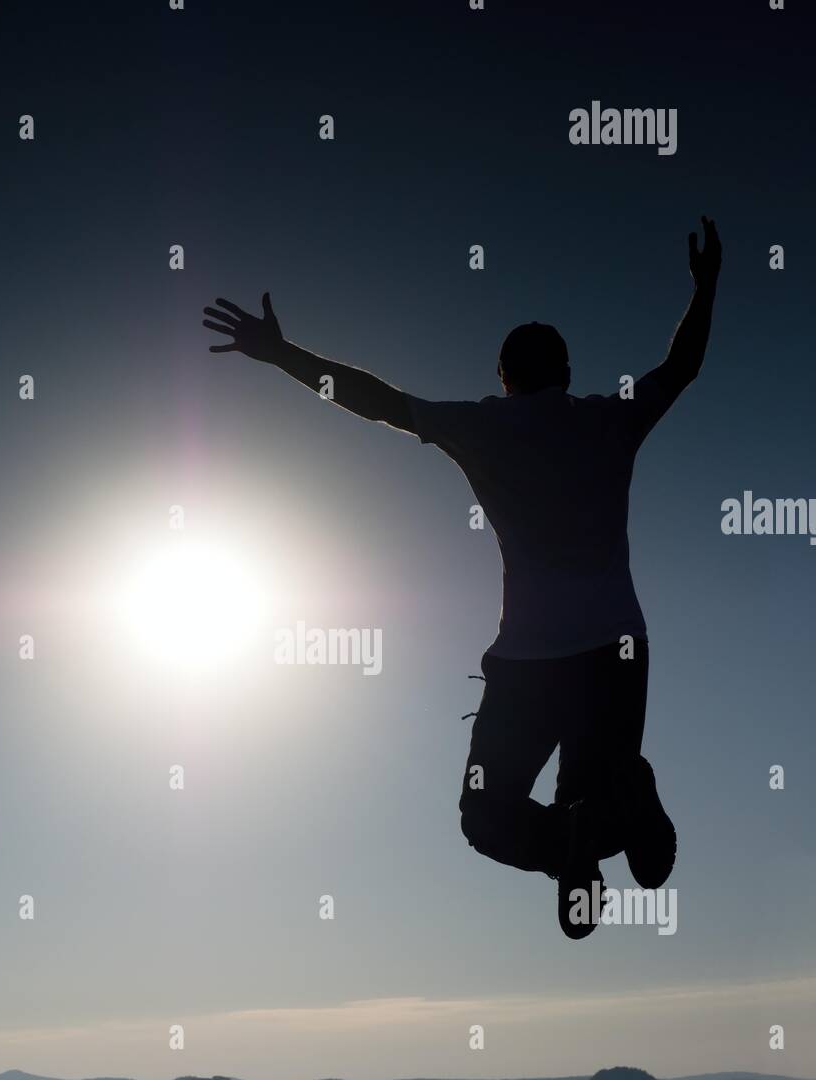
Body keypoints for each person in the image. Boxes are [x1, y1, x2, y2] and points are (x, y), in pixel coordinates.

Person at [203, 218, 722, 938]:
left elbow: (371, 399)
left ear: (503, 382)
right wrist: (706, 287)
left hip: (527, 669)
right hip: (614, 655)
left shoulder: (481, 427)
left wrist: (280, 354)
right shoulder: (611, 420)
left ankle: (592, 822)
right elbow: (682, 366)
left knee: (485, 817)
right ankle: (616, 801)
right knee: (589, 806)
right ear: (566, 374)